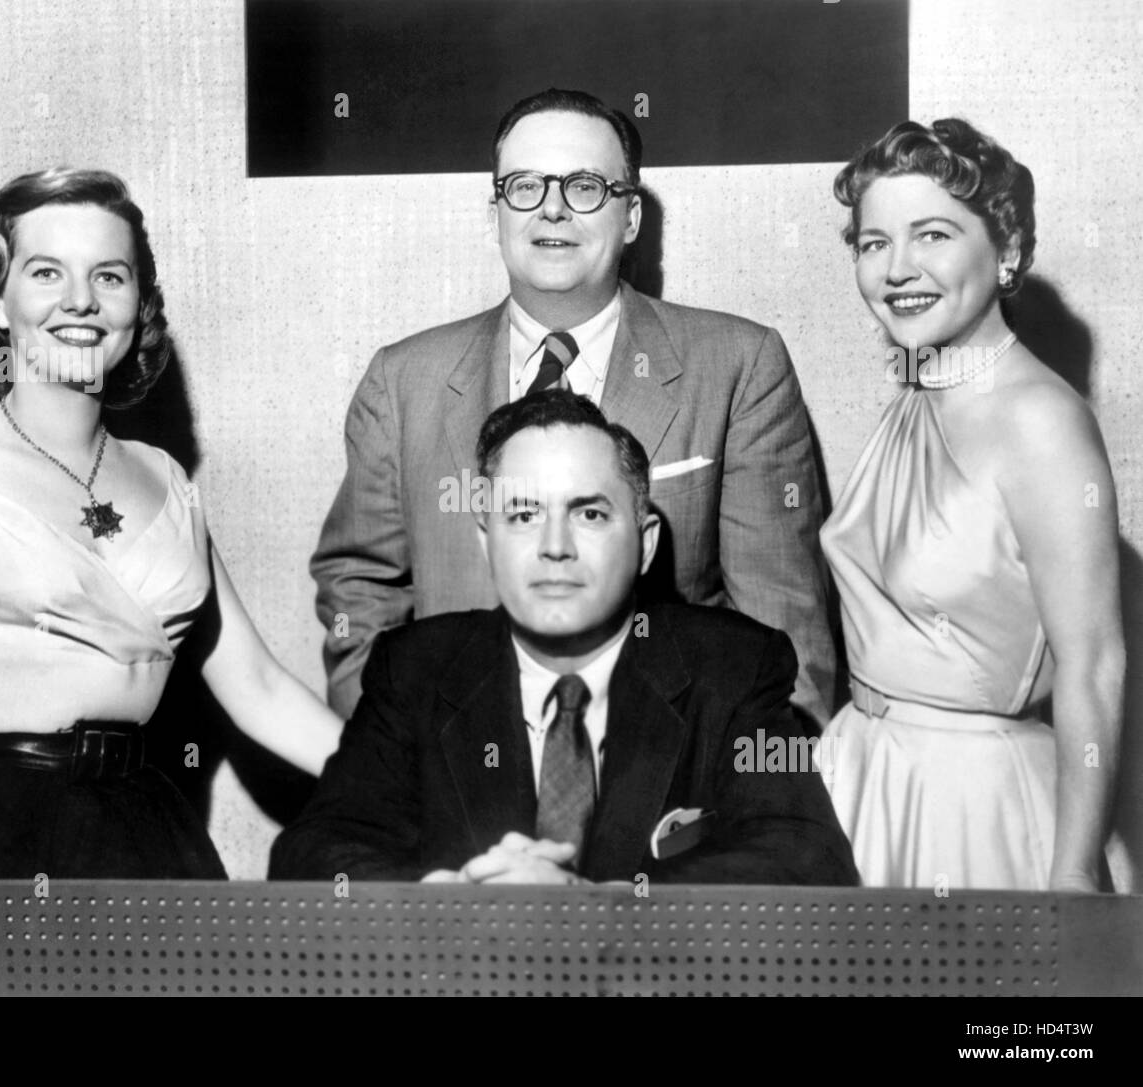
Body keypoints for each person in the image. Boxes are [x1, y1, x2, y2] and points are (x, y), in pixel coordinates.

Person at [0, 167, 342, 881]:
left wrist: (409, 792)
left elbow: (260, 689)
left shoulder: (168, 482)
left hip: (145, 838)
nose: (81, 299)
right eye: (47, 272)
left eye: (109, 276)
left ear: (138, 304)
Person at [311, 87, 836, 730]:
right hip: (455, 766)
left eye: (585, 186)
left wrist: (757, 778)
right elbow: (358, 589)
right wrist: (392, 751)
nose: (552, 209)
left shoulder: (739, 366)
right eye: (525, 186)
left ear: (631, 217)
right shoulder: (401, 382)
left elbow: (783, 629)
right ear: (496, 214)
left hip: (669, 767)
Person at [271, 391, 858, 886]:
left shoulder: (735, 667)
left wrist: (594, 910)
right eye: (523, 516)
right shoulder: (414, 668)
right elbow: (312, 851)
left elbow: (806, 857)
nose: (555, 546)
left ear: (646, 543)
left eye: (589, 514)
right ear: (485, 541)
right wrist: (444, 903)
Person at [820, 120, 1124, 891]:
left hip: (971, 805)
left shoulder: (1040, 421)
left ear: (1008, 248)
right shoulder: (919, 388)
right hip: (862, 772)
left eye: (933, 234)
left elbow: (1094, 663)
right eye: (874, 242)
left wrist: (1075, 875)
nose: (898, 269)